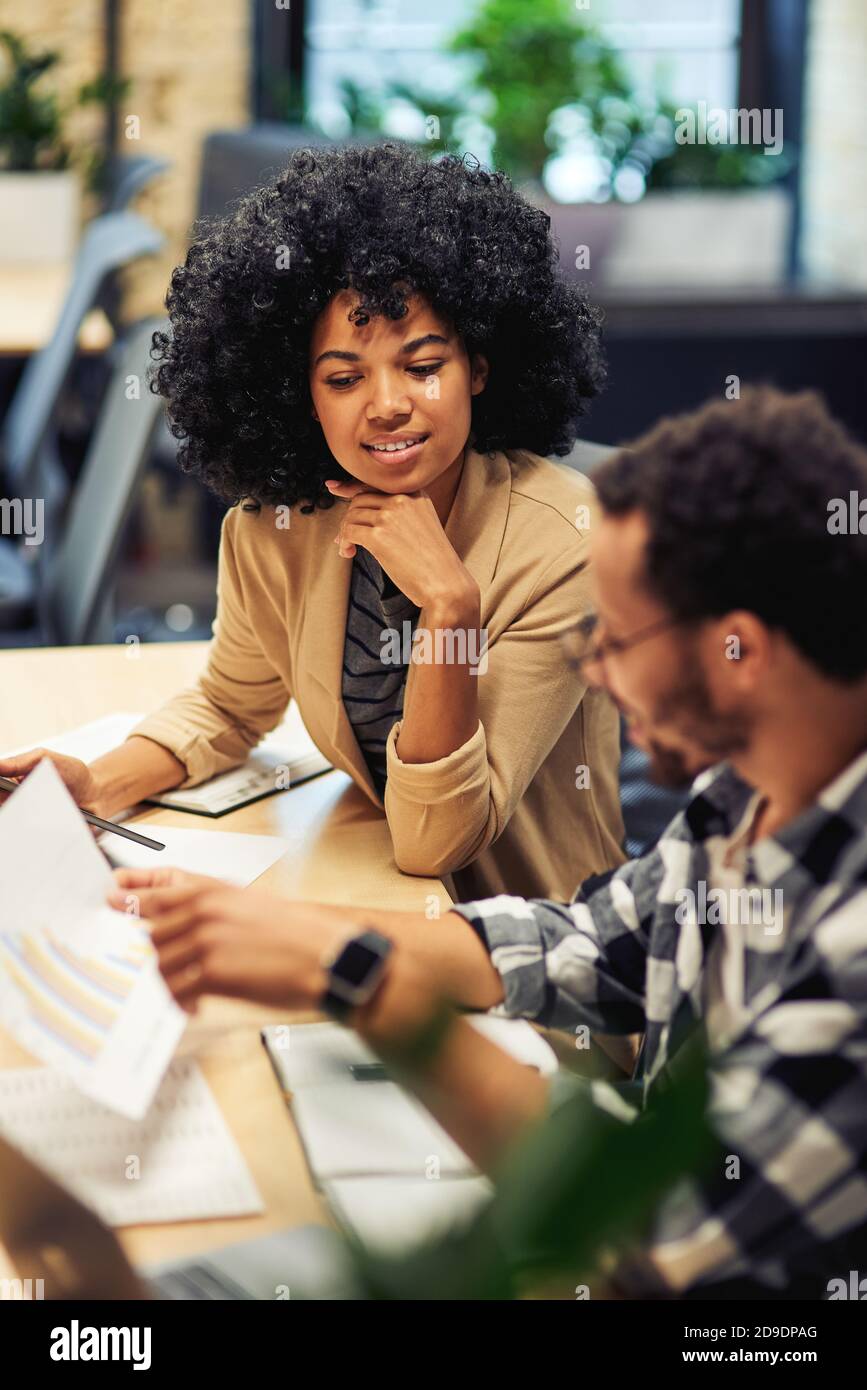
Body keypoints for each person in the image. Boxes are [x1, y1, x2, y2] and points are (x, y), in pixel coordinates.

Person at [107, 387, 867, 1297]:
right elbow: (592, 945)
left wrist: (360, 981)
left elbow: (639, 1216)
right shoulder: (745, 795)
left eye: (617, 640)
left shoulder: (848, 951)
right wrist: (288, 933)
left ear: (739, 651)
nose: (595, 671)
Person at [0, 142, 625, 903]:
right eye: (344, 377)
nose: (388, 402)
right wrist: (94, 784)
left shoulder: (561, 540)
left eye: (423, 366)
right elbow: (229, 706)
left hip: (530, 963)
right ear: (300, 393)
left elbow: (438, 841)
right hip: (366, 895)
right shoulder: (278, 529)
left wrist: (449, 607)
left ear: (480, 368)